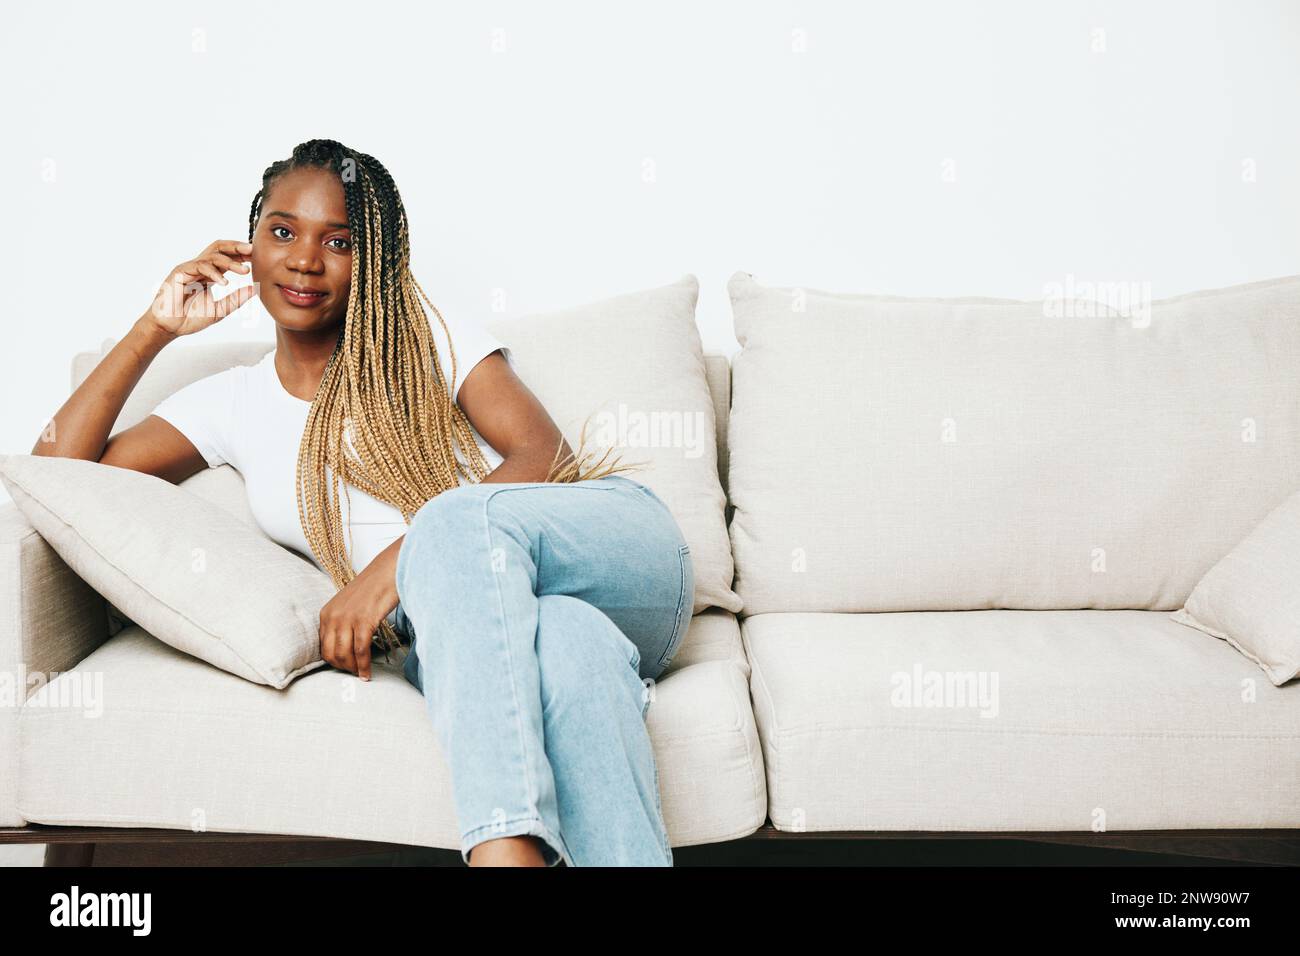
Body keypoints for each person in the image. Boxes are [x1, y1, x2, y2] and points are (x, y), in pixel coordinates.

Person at [31, 139, 694, 867]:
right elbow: (59, 475)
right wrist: (155, 326)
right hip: (479, 629)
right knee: (571, 652)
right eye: (282, 231)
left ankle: (505, 856)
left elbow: (547, 459)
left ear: (371, 260)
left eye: (338, 241)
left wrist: (387, 571)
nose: (305, 259)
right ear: (248, 245)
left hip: (617, 560)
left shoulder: (426, 337)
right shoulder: (233, 403)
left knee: (449, 519)